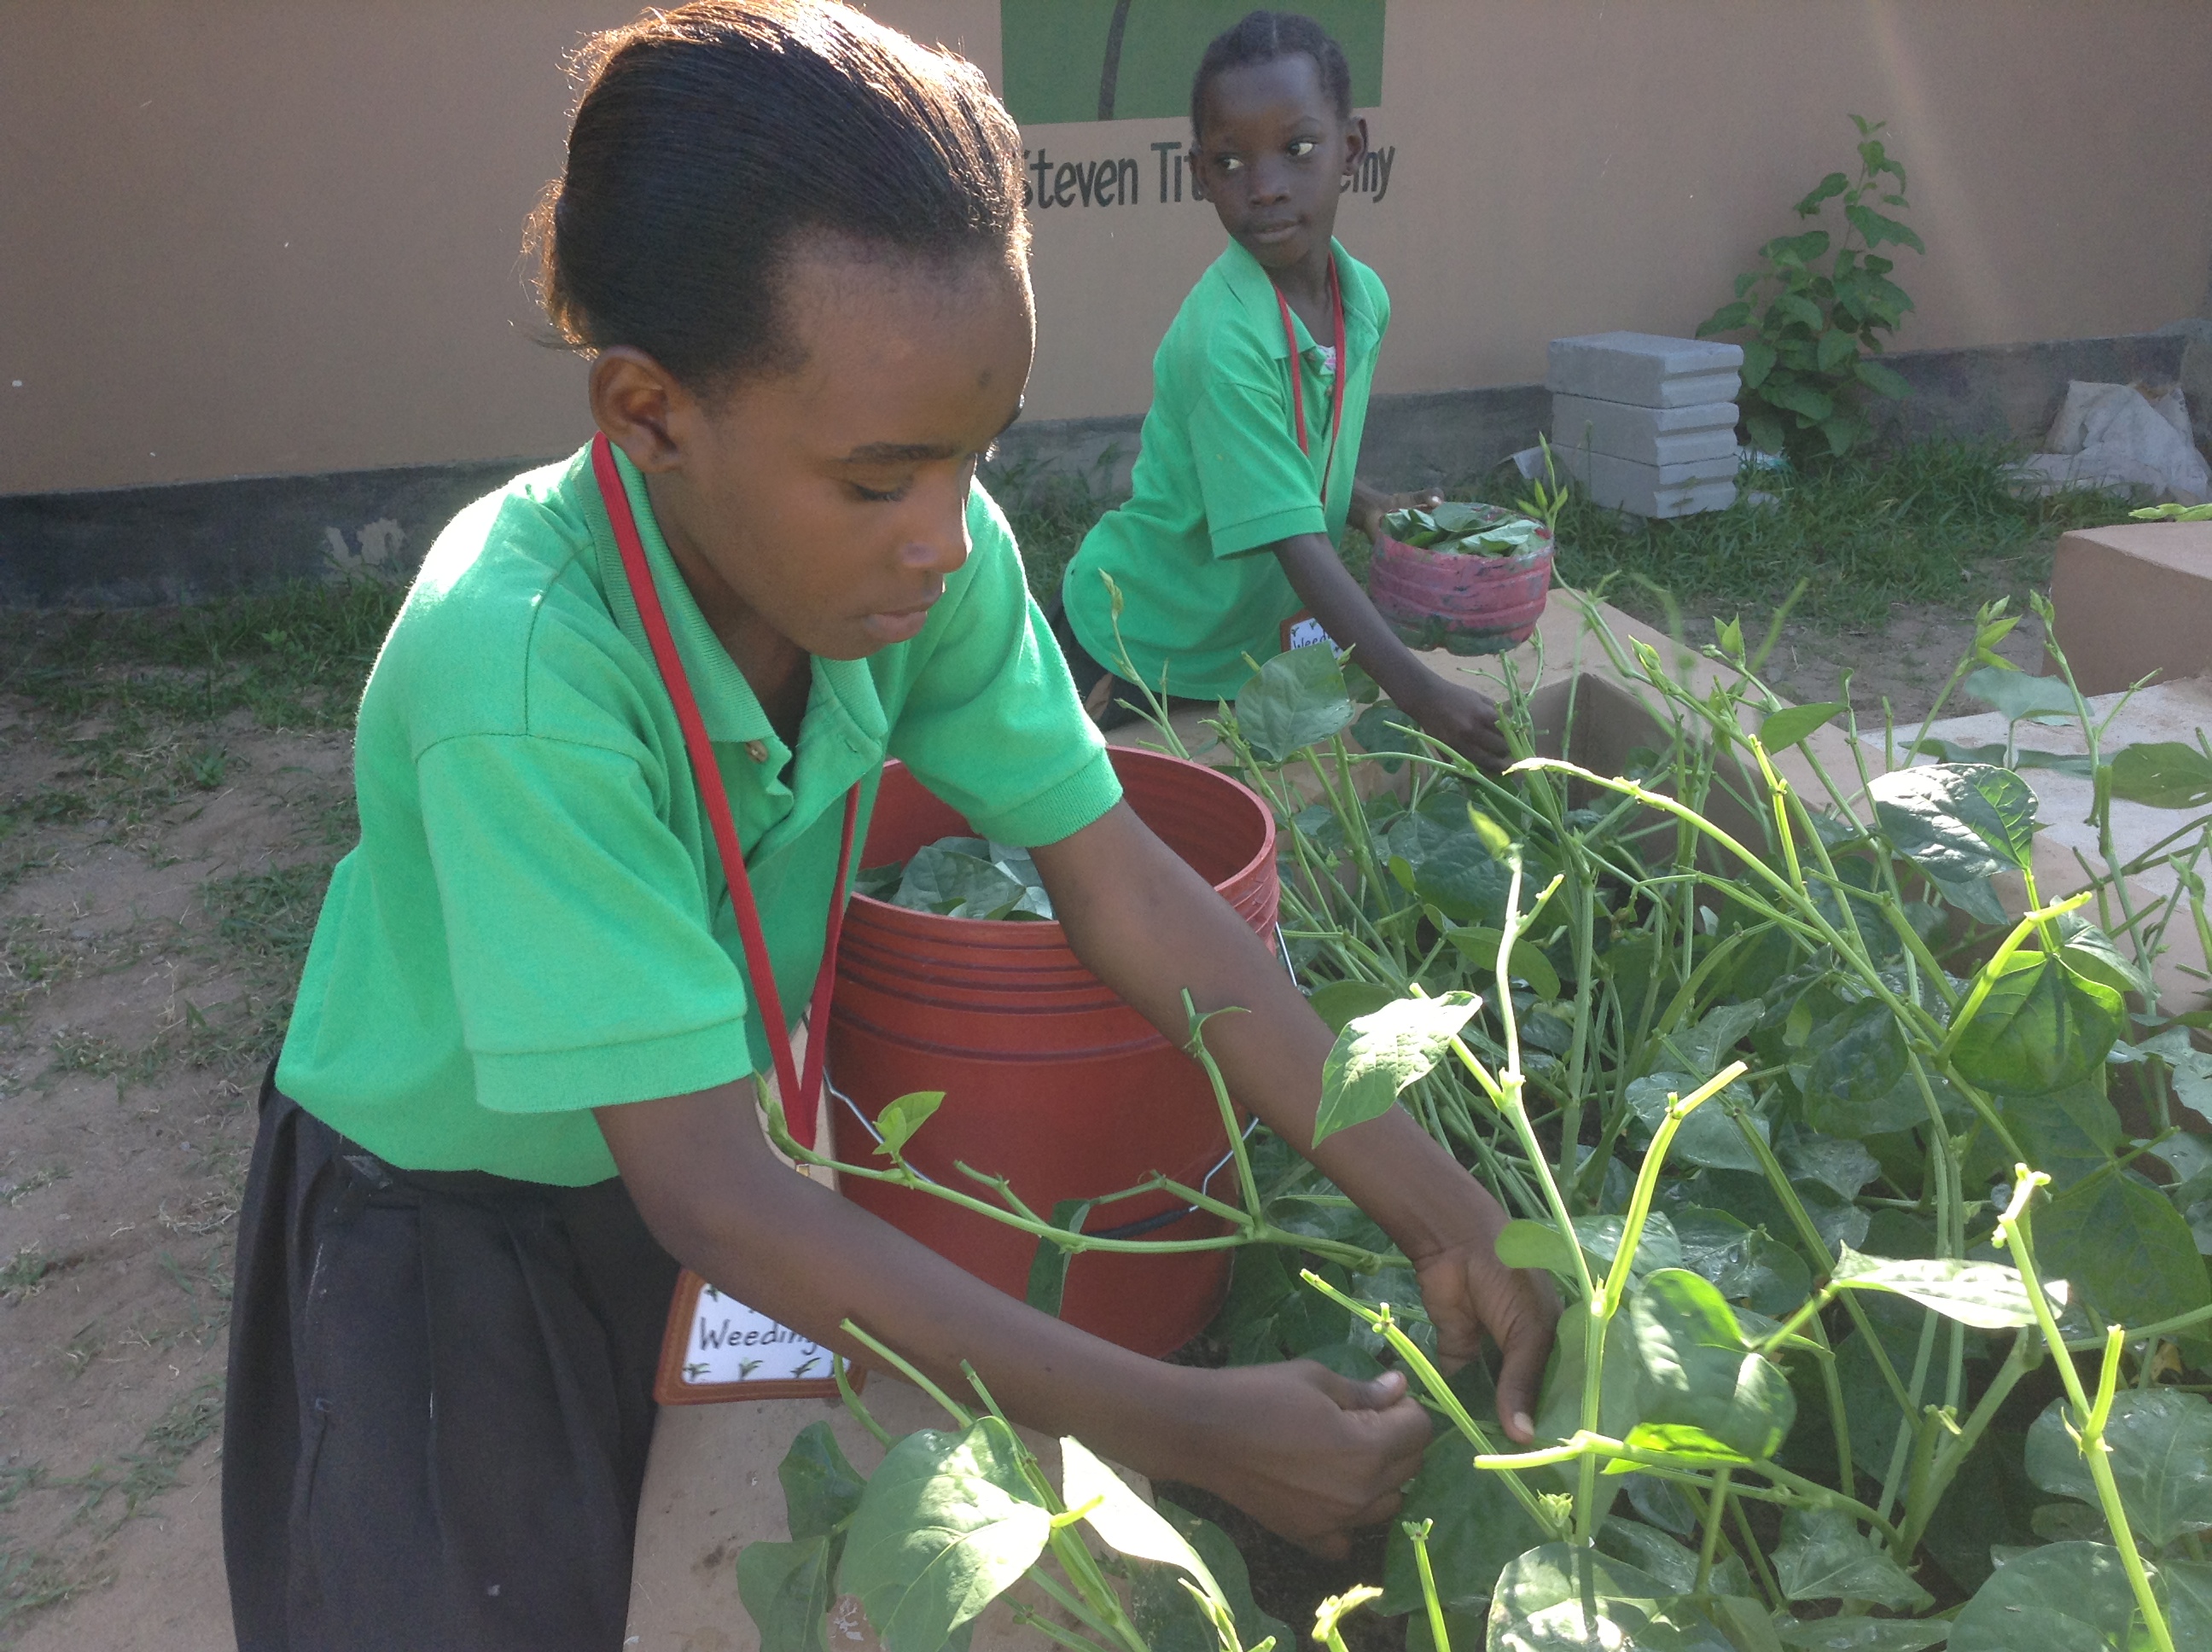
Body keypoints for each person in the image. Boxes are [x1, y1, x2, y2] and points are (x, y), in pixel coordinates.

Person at [219, 5, 1553, 1648]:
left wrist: (1445, 1212)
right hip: (437, 1211)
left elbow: (1121, 879)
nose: (946, 538)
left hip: (657, 1149)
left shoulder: (926, 556)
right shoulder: (518, 672)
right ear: (647, 415)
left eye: (974, 456)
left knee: (616, 1534)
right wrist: (1190, 1428)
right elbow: (713, 1191)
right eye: (879, 481)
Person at [1054, 11, 1506, 766]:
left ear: (1350, 150)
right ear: (1199, 176)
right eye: (1230, 163)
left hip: (1241, 647)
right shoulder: (1221, 343)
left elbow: (1293, 450)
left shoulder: (1360, 303)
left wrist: (1365, 505)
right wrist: (1422, 696)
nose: (1264, 188)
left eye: (1298, 150)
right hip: (1135, 642)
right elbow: (1293, 541)